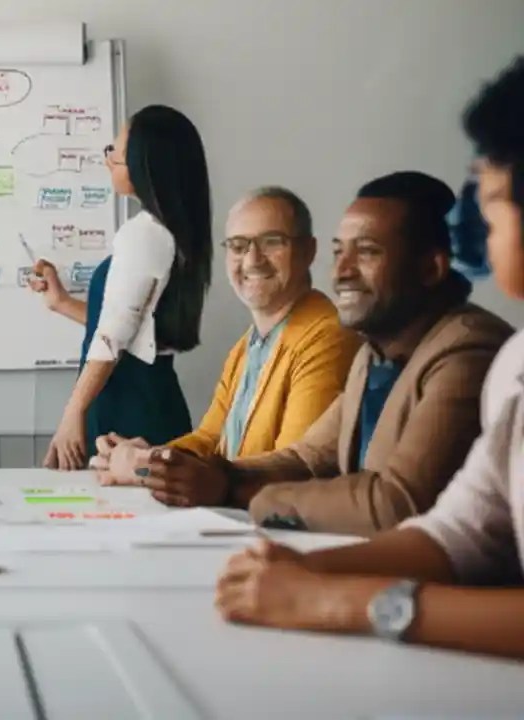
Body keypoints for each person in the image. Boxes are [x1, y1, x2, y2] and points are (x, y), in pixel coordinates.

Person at [215, 56, 524, 660]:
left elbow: (398, 506)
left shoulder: (473, 346)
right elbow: (459, 532)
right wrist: (306, 572)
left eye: (491, 204)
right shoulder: (516, 362)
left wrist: (336, 601)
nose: (478, 229)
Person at [137, 171, 513, 535]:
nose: (342, 272)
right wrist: (214, 473)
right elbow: (306, 459)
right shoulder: (376, 353)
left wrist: (236, 491)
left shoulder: (468, 349)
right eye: (339, 252)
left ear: (431, 268)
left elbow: (395, 504)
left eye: (366, 252)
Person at [94, 187, 359, 481]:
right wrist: (147, 458)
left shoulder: (328, 339)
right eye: (238, 245)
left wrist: (143, 471)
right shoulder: (248, 344)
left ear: (308, 251)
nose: (253, 259)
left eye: (272, 242)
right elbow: (208, 440)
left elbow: (291, 472)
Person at [30, 105, 213, 469]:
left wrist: (73, 414)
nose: (108, 158)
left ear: (146, 166)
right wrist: (62, 302)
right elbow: (135, 328)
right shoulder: (170, 231)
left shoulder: (143, 234)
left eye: (115, 152)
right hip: (148, 397)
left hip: (126, 403)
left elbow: (112, 337)